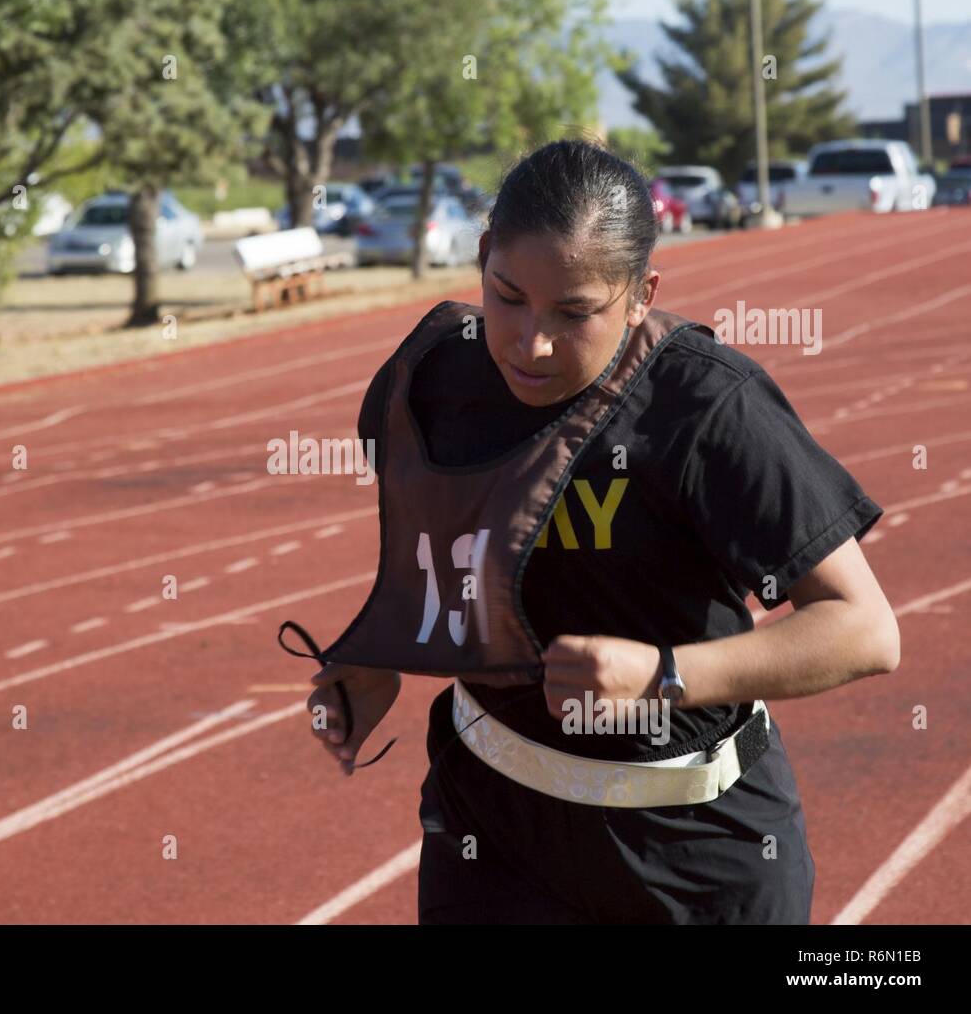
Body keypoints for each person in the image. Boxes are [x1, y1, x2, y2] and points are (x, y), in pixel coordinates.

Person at [298, 139, 900, 925]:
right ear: (482, 256)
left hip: (691, 850)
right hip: (489, 831)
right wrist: (381, 655)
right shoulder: (433, 382)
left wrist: (665, 675)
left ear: (642, 293)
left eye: (576, 312)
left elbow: (865, 632)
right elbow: (440, 540)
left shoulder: (707, 407)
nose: (531, 341)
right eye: (508, 295)